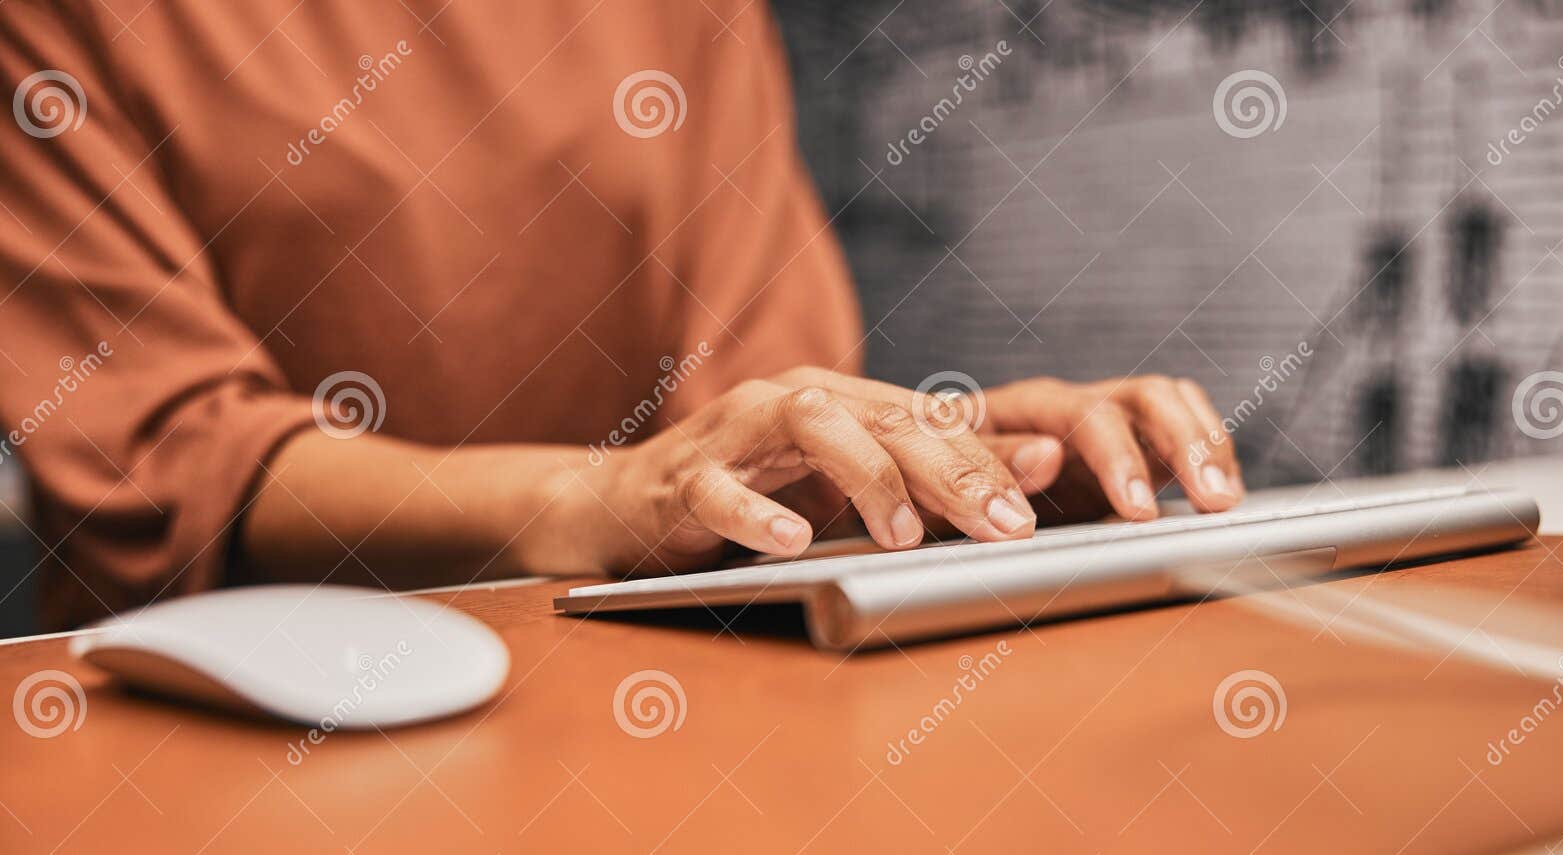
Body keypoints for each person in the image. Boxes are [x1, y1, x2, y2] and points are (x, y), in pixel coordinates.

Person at [0, 0, 1241, 630]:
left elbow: (754, 416)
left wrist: (950, 464)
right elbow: (164, 461)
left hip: (662, 700)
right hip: (242, 750)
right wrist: (605, 502)